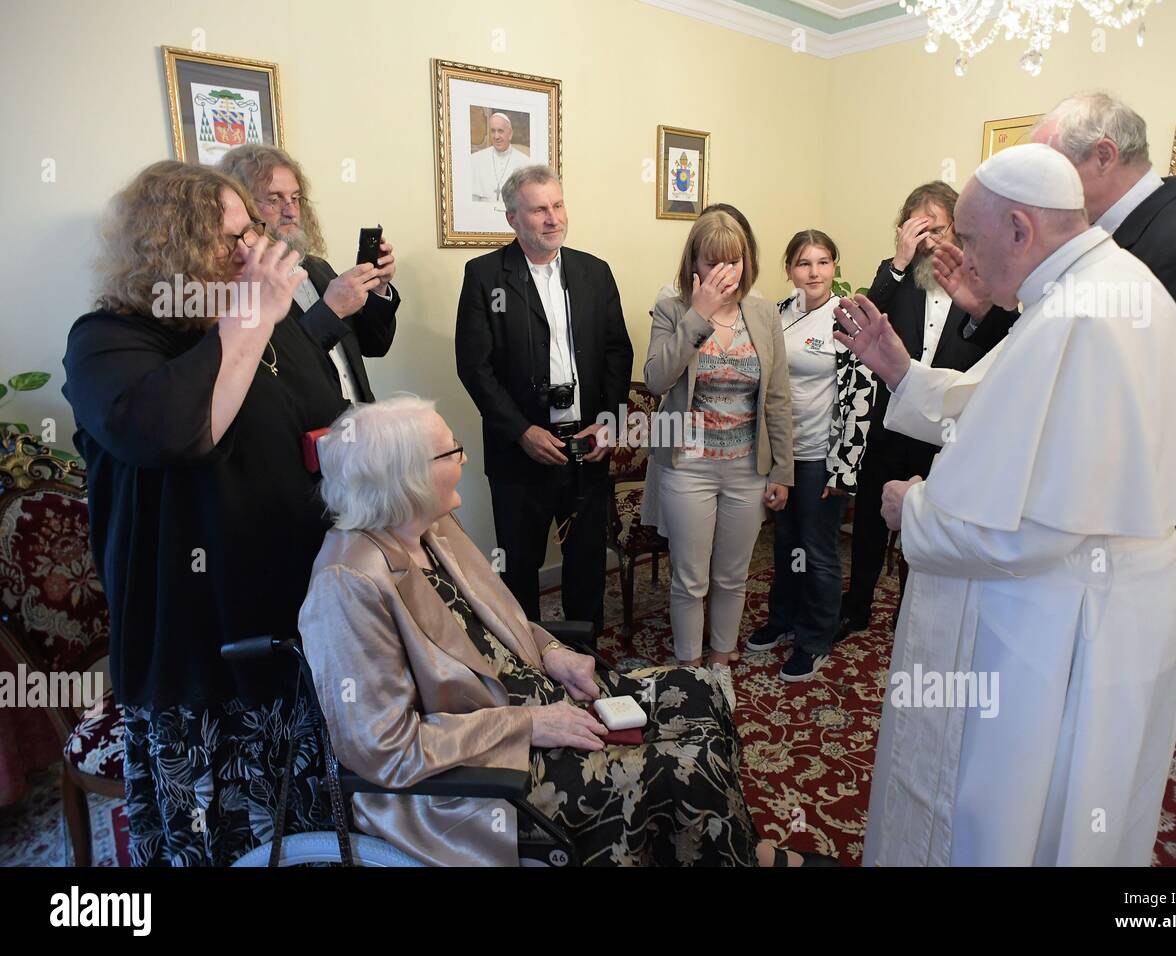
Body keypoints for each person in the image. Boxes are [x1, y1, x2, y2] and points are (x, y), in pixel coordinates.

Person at [834, 144, 1176, 865]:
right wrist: (897, 364)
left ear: (1020, 228)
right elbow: (997, 403)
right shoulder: (1089, 290)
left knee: (1023, 812)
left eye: (975, 242)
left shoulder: (1084, 312)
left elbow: (1034, 528)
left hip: (1068, 622)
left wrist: (913, 512)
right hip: (1094, 608)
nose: (966, 264)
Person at [298, 397, 832, 866]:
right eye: (449, 453)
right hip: (483, 768)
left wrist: (552, 651)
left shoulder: (431, 527)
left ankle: (733, 848)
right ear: (406, 476)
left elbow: (500, 618)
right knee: (678, 765)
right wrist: (526, 725)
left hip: (534, 698)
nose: (463, 460)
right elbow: (383, 750)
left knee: (699, 692)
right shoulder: (347, 584)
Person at [62, 161, 349, 865]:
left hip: (290, 606)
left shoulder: (269, 321)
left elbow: (327, 420)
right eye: (230, 238)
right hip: (190, 627)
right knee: (211, 830)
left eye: (251, 230)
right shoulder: (108, 339)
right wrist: (252, 314)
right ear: (173, 248)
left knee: (302, 811)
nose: (252, 250)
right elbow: (176, 435)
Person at [955, 92, 1176, 572]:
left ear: (1102, 156)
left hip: (1127, 530)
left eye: (1050, 166)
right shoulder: (1078, 245)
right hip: (1052, 523)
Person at [455, 165, 633, 637]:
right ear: (513, 218)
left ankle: (585, 656)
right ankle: (530, 662)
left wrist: (610, 421)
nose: (553, 218)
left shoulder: (594, 272)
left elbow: (618, 350)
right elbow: (475, 367)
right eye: (539, 209)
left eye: (557, 205)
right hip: (521, 450)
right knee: (519, 566)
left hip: (587, 443)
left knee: (586, 562)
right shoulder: (484, 276)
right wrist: (520, 431)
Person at [839, 183, 1018, 638]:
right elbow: (864, 316)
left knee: (925, 525)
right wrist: (899, 262)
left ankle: (910, 614)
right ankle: (855, 607)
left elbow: (1001, 341)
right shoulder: (899, 275)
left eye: (936, 230)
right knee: (870, 526)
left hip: (949, 431)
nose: (928, 242)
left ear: (957, 230)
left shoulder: (978, 283)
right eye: (917, 231)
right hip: (889, 424)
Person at [642, 211, 794, 670]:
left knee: (732, 576)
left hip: (748, 468)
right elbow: (655, 379)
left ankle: (721, 661)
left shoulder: (765, 314)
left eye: (735, 262)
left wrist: (782, 471)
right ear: (695, 264)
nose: (726, 273)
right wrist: (699, 315)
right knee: (689, 580)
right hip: (688, 467)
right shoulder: (673, 310)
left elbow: (779, 398)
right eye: (715, 263)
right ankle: (689, 669)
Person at [746, 230, 872, 681]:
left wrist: (846, 466)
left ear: (835, 266)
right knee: (784, 544)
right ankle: (782, 621)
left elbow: (861, 396)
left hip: (823, 454)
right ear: (789, 269)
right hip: (782, 454)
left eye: (823, 262)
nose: (814, 272)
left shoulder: (848, 319)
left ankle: (814, 639)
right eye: (804, 263)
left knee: (817, 550)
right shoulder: (776, 314)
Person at [218, 144, 399, 404]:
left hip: (358, 426)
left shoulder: (319, 268)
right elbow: (278, 372)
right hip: (302, 437)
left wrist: (379, 288)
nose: (291, 211)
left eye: (295, 198)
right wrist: (331, 310)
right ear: (243, 206)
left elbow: (374, 345)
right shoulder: (240, 286)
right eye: (274, 199)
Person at [470, 113, 530, 206]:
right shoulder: (476, 159)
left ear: (510, 134)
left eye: (500, 131)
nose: (496, 136)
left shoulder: (525, 162)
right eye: (493, 131)